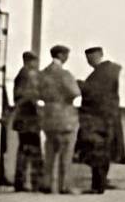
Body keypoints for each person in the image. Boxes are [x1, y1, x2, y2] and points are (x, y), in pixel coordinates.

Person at [74, 46, 125, 194]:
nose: (89, 61)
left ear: (99, 56)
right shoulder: (110, 71)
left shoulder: (100, 74)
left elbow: (93, 93)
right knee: (104, 152)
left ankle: (98, 186)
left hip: (98, 120)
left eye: (90, 58)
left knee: (97, 152)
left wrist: (80, 84)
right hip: (109, 118)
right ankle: (101, 182)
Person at [38, 45, 81, 194]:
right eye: (66, 55)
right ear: (61, 55)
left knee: (49, 152)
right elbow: (75, 92)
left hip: (48, 116)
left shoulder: (43, 74)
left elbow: (38, 93)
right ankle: (65, 185)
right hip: (65, 117)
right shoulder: (65, 74)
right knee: (66, 153)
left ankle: (47, 184)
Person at [11, 52, 44, 191]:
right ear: (30, 62)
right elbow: (30, 95)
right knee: (32, 150)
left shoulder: (20, 75)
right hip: (29, 118)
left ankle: (21, 181)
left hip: (22, 118)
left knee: (24, 150)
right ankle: (34, 181)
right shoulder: (28, 75)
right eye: (35, 62)